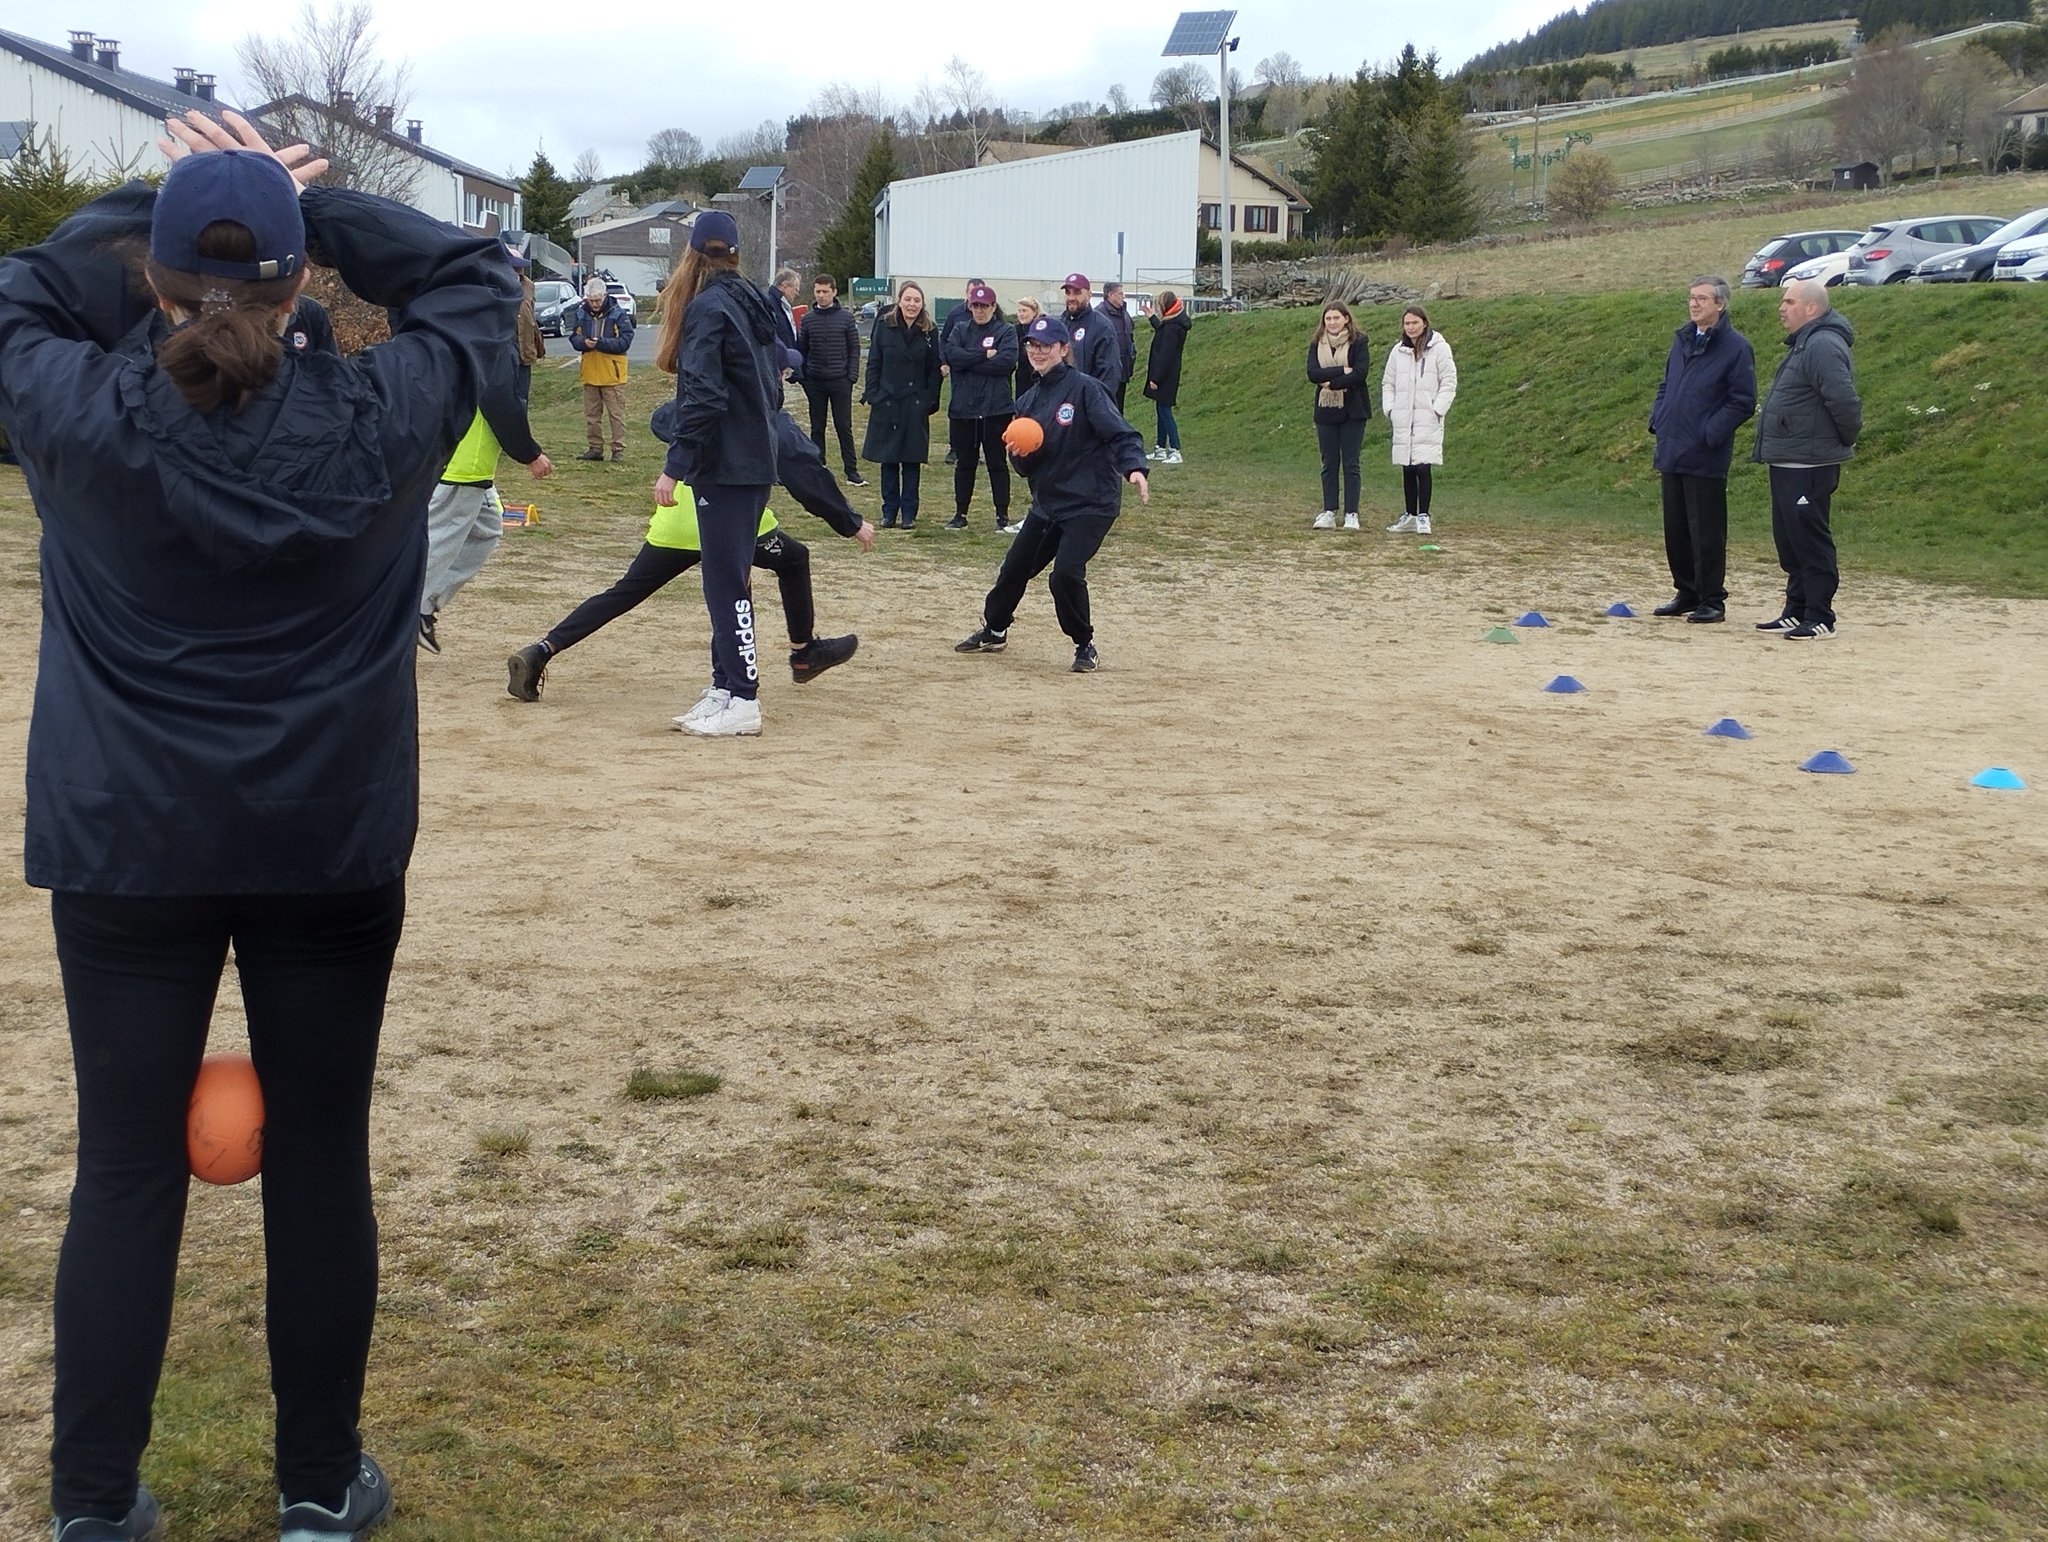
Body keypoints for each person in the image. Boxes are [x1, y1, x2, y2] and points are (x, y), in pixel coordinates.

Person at [0, 108, 515, 1542]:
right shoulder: (384, 406)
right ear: (308, 289)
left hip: (125, 841)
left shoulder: (73, 404)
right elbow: (474, 276)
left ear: (150, 281)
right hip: (325, 840)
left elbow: (18, 291)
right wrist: (316, 208)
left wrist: (159, 198)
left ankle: (94, 1504)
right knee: (321, 1152)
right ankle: (313, 1487)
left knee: (120, 1165)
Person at [506, 409, 871, 704]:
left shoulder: (700, 399)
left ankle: (542, 649)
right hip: (733, 518)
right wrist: (850, 523)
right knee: (776, 570)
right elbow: (807, 476)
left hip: (677, 517)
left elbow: (661, 418)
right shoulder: (764, 415)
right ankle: (798, 655)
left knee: (622, 593)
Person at [954, 313, 1149, 674]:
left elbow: (1121, 434)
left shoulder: (1087, 389)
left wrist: (1134, 468)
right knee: (1013, 568)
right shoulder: (1027, 402)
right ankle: (994, 630)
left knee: (1065, 575)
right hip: (1049, 504)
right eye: (1032, 345)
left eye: (1046, 345)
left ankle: (1084, 643)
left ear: (1063, 349)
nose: (1037, 351)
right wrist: (1023, 454)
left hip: (1091, 503)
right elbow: (1025, 468)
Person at [654, 208, 784, 736]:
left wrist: (675, 464)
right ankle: (724, 686)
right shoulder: (751, 300)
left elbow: (704, 396)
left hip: (727, 466)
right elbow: (773, 385)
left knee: (726, 582)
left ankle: (744, 698)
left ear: (692, 253)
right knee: (726, 579)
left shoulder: (708, 308)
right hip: (751, 459)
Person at [417, 327, 553, 653]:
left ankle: (421, 607)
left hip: (470, 467)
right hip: (461, 466)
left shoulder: (464, 334)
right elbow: (499, 401)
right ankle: (399, 617)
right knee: (435, 551)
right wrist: (529, 453)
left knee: (487, 531)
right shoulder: (490, 340)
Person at [1753, 277, 1861, 640]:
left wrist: (1841, 441)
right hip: (1787, 459)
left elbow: (1843, 401)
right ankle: (1795, 608)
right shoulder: (1803, 344)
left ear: (1811, 308)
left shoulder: (1823, 345)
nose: (1781, 308)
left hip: (1810, 463)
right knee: (1790, 540)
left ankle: (1820, 615)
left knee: (1810, 540)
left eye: (1789, 302)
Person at [1648, 274, 1756, 624]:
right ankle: (1686, 591)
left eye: (1702, 299)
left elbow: (1742, 401)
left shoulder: (1736, 348)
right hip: (1672, 446)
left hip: (1705, 452)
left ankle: (1712, 598)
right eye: (1691, 297)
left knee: (1705, 529)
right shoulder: (1681, 341)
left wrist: (1710, 433)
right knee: (1676, 527)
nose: (1694, 304)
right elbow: (1666, 384)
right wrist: (1659, 419)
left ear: (1720, 304)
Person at [860, 280, 941, 529]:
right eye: (908, 299)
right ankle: (889, 512)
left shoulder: (929, 331)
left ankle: (909, 514)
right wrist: (873, 394)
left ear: (922, 303)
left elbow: (934, 369)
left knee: (911, 460)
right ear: (899, 300)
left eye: (917, 300)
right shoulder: (885, 325)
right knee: (889, 459)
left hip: (914, 401)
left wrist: (928, 400)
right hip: (887, 400)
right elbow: (874, 361)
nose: (912, 305)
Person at [941, 281, 1021, 533]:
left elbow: (1006, 363)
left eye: (984, 306)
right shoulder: (960, 329)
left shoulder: (1006, 331)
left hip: (996, 409)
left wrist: (968, 361)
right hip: (964, 409)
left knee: (997, 463)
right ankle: (960, 513)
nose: (979, 310)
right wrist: (982, 355)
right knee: (965, 463)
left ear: (993, 306)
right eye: (975, 305)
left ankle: (1002, 514)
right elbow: (953, 356)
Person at [1381, 305, 1457, 535]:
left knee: (1423, 467)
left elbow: (1449, 381)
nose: (1411, 327)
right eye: (1407, 323)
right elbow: (1388, 383)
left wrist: (1438, 409)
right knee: (1407, 466)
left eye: (1415, 323)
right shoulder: (1398, 351)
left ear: (1424, 322)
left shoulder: (1439, 349)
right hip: (1404, 417)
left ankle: (1423, 515)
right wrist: (1391, 409)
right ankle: (1410, 515)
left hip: (1427, 416)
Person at [1306, 303, 1370, 530]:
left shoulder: (1359, 342)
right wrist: (1342, 371)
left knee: (1351, 463)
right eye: (1328, 318)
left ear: (1346, 319)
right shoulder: (1316, 343)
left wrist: (1331, 382)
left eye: (1336, 318)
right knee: (1329, 462)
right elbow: (1312, 373)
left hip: (1354, 409)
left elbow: (1360, 373)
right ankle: (1329, 511)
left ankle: (1351, 512)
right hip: (1325, 411)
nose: (1332, 322)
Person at [796, 272, 863, 485]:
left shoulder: (846, 318)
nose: (821, 296)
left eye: (825, 291)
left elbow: (854, 348)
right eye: (818, 291)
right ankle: (818, 467)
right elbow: (802, 350)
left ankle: (851, 471)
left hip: (840, 381)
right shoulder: (807, 320)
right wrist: (804, 377)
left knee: (843, 426)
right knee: (817, 426)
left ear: (834, 292)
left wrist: (851, 376)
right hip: (815, 381)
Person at [570, 275, 634, 461]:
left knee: (616, 415)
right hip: (590, 372)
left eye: (597, 300)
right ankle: (595, 448)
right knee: (591, 415)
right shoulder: (581, 313)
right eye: (591, 300)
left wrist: (600, 343)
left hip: (612, 374)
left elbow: (625, 341)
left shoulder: (618, 314)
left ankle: (618, 450)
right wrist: (583, 343)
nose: (595, 304)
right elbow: (574, 338)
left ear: (605, 296)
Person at [1143, 289, 1189, 465]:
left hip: (1166, 376)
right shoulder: (1172, 323)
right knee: (1160, 409)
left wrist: (1156, 378)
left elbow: (1166, 355)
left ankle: (1175, 449)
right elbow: (1161, 330)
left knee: (1165, 411)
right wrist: (1151, 317)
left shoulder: (1174, 327)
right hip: (1166, 375)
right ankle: (1160, 447)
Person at [1057, 273, 1123, 395]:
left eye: (1077, 292)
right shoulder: (1060, 325)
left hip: (1087, 401)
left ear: (1089, 295)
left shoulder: (1101, 326)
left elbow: (1110, 372)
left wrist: (1095, 403)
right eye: (1068, 292)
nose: (1071, 297)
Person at [509, 245, 543, 407]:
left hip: (526, 350)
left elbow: (530, 313)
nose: (518, 270)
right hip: (505, 350)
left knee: (523, 397)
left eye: (519, 266)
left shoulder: (529, 285)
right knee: (506, 397)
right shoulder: (494, 284)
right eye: (514, 266)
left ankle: (520, 429)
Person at [1098, 280, 1137, 413]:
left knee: (1119, 410)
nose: (1123, 296)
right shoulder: (1099, 315)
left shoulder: (1124, 313)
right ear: (1110, 295)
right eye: (1120, 293)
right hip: (1106, 372)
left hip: (1123, 370)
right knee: (1106, 409)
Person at [1011, 295, 1041, 402]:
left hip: (1038, 373)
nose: (1021, 314)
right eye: (1019, 311)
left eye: (1024, 310)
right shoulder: (1015, 330)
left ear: (1034, 312)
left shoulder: (1041, 329)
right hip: (1022, 375)